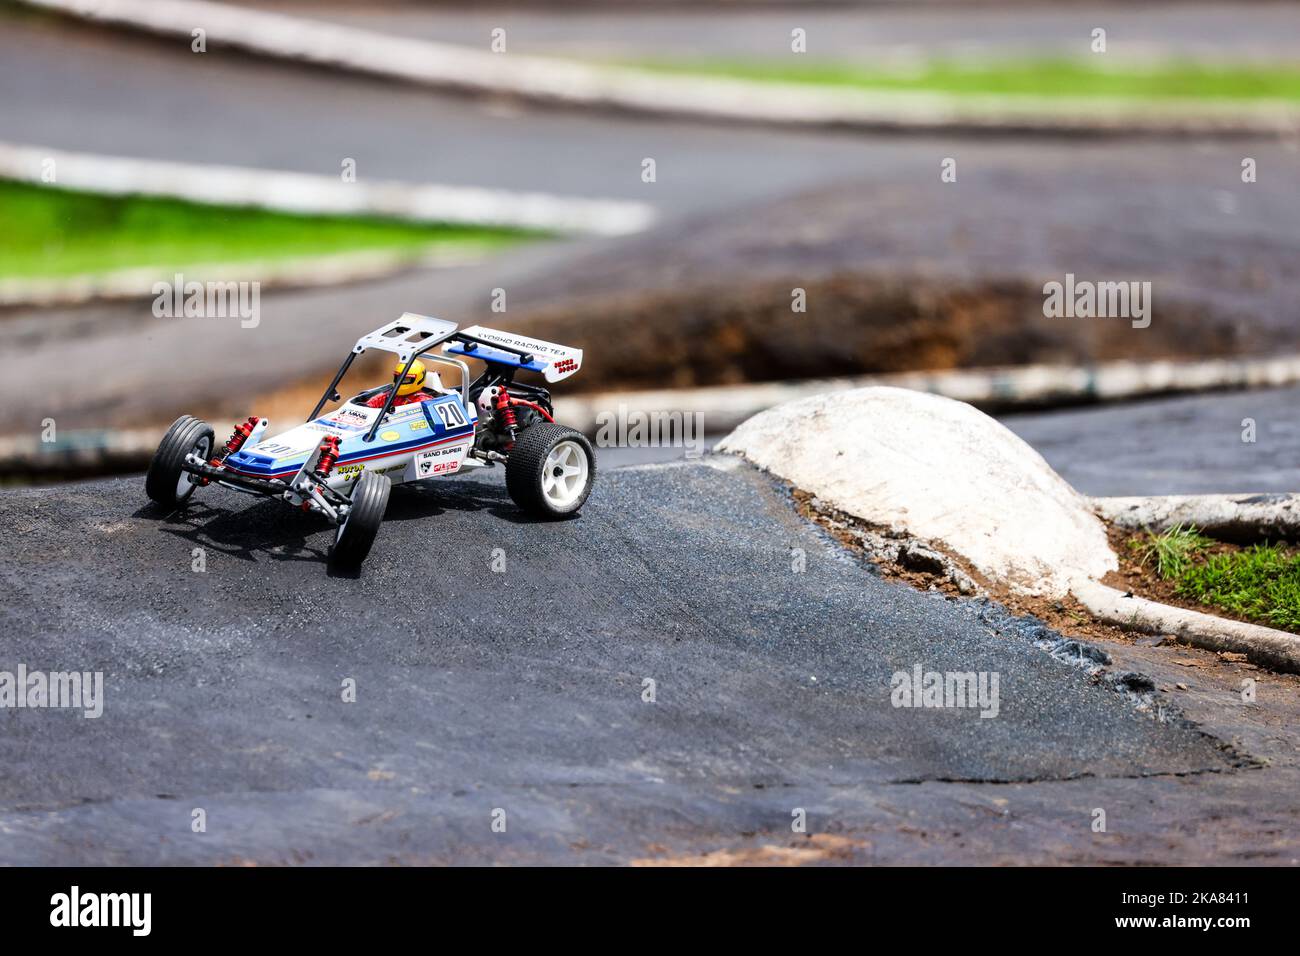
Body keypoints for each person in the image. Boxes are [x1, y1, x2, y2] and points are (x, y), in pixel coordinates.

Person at [365, 359, 447, 408]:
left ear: (419, 379)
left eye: (406, 379)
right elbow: (379, 399)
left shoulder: (422, 400)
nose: (401, 382)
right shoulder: (393, 395)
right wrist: (366, 407)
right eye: (399, 378)